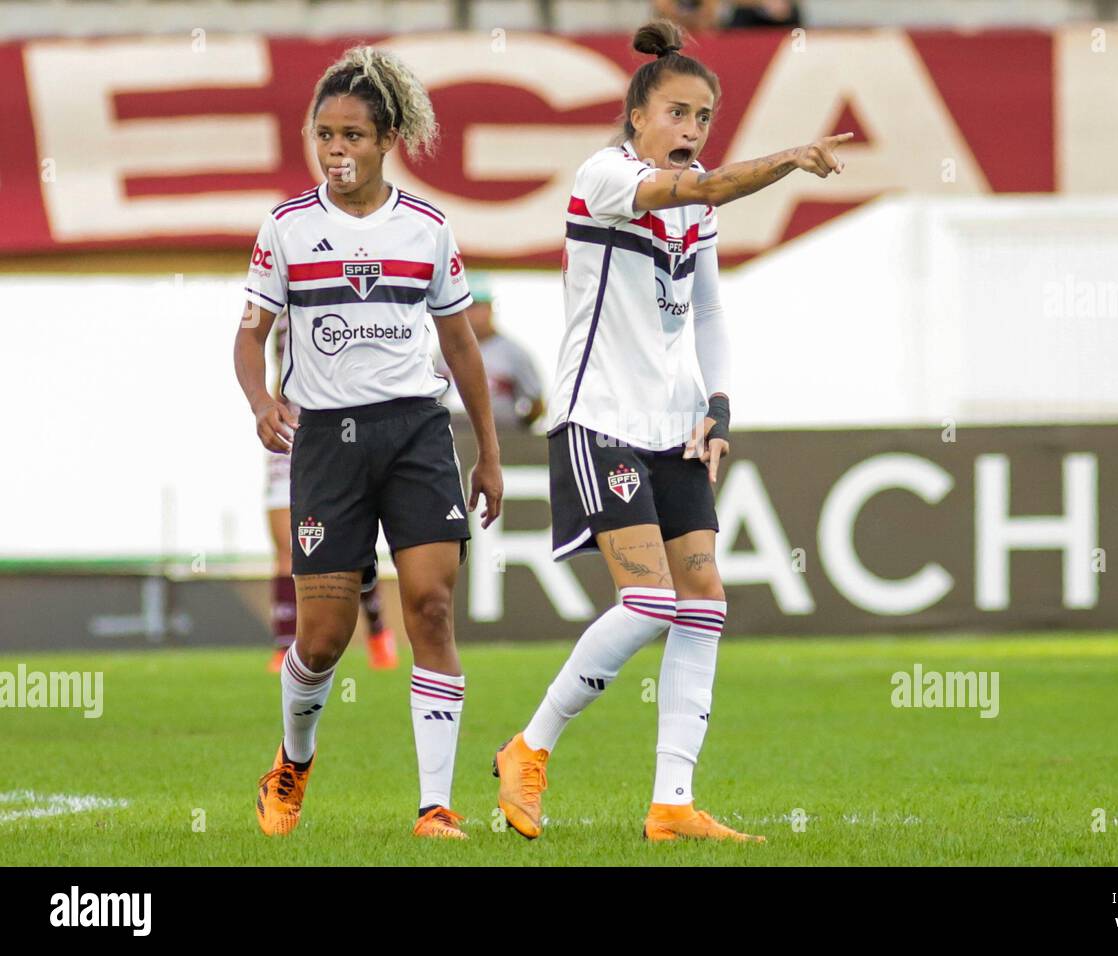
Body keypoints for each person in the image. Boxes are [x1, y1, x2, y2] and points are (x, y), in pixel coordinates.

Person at [493, 18, 850, 843]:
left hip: (673, 424)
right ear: (638, 118)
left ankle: (672, 805)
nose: (688, 131)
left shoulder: (697, 207)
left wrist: (718, 406)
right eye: (677, 114)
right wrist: (790, 158)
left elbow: (710, 307)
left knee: (703, 603)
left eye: (702, 120)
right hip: (601, 420)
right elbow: (704, 189)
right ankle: (528, 746)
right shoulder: (606, 176)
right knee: (650, 600)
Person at [233, 45, 503, 841]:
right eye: (324, 135)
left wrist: (486, 451)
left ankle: (435, 807)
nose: (337, 150)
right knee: (322, 638)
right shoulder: (285, 229)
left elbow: (461, 346)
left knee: (431, 606)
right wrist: (258, 399)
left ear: (387, 139)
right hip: (325, 444)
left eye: (352, 135)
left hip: (416, 433)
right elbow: (250, 337)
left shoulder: (427, 229)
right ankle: (292, 760)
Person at [263, 310, 398, 675]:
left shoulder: (336, 295)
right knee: (285, 542)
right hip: (293, 424)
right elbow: (279, 367)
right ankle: (283, 644)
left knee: (350, 543)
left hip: (341, 422)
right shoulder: (275, 298)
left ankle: (377, 632)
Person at [434, 275, 546, 430]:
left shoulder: (514, 352)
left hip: (501, 436)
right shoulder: (445, 350)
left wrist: (514, 433)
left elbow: (537, 405)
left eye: (474, 306)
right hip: (455, 437)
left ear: (490, 308)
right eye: (463, 307)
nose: (468, 313)